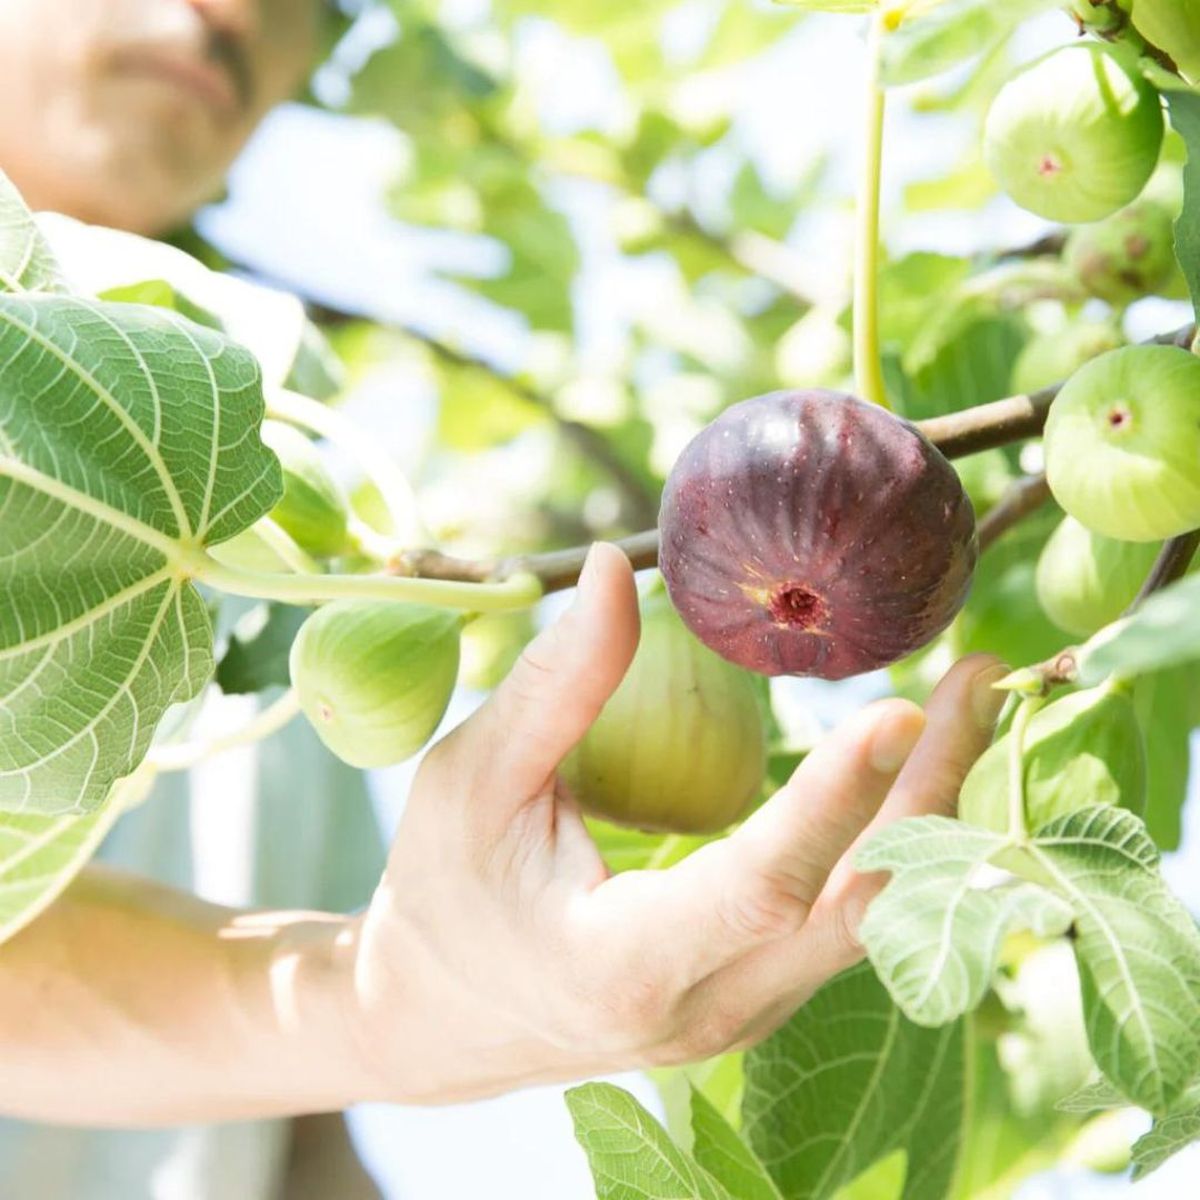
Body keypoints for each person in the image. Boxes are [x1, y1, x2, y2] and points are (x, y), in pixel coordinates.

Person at [0, 2, 1010, 1197]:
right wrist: (384, 1007)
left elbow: (294, 1148)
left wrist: (398, 1020)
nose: (231, 12)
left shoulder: (281, 539)